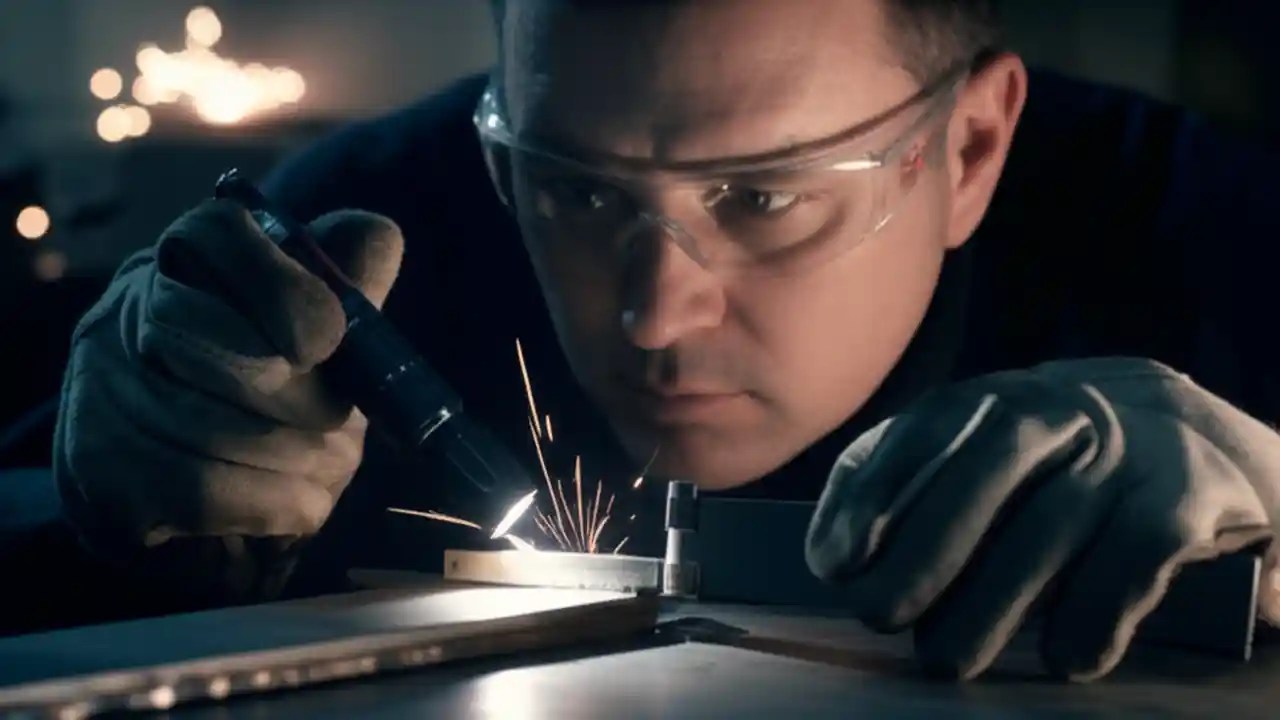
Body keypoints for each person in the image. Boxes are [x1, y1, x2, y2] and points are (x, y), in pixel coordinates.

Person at [23, 0, 1280, 682]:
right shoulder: (360, 226)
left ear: (967, 150)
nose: (650, 315)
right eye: (574, 189)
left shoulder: (1219, 239)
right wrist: (107, 489)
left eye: (763, 196)